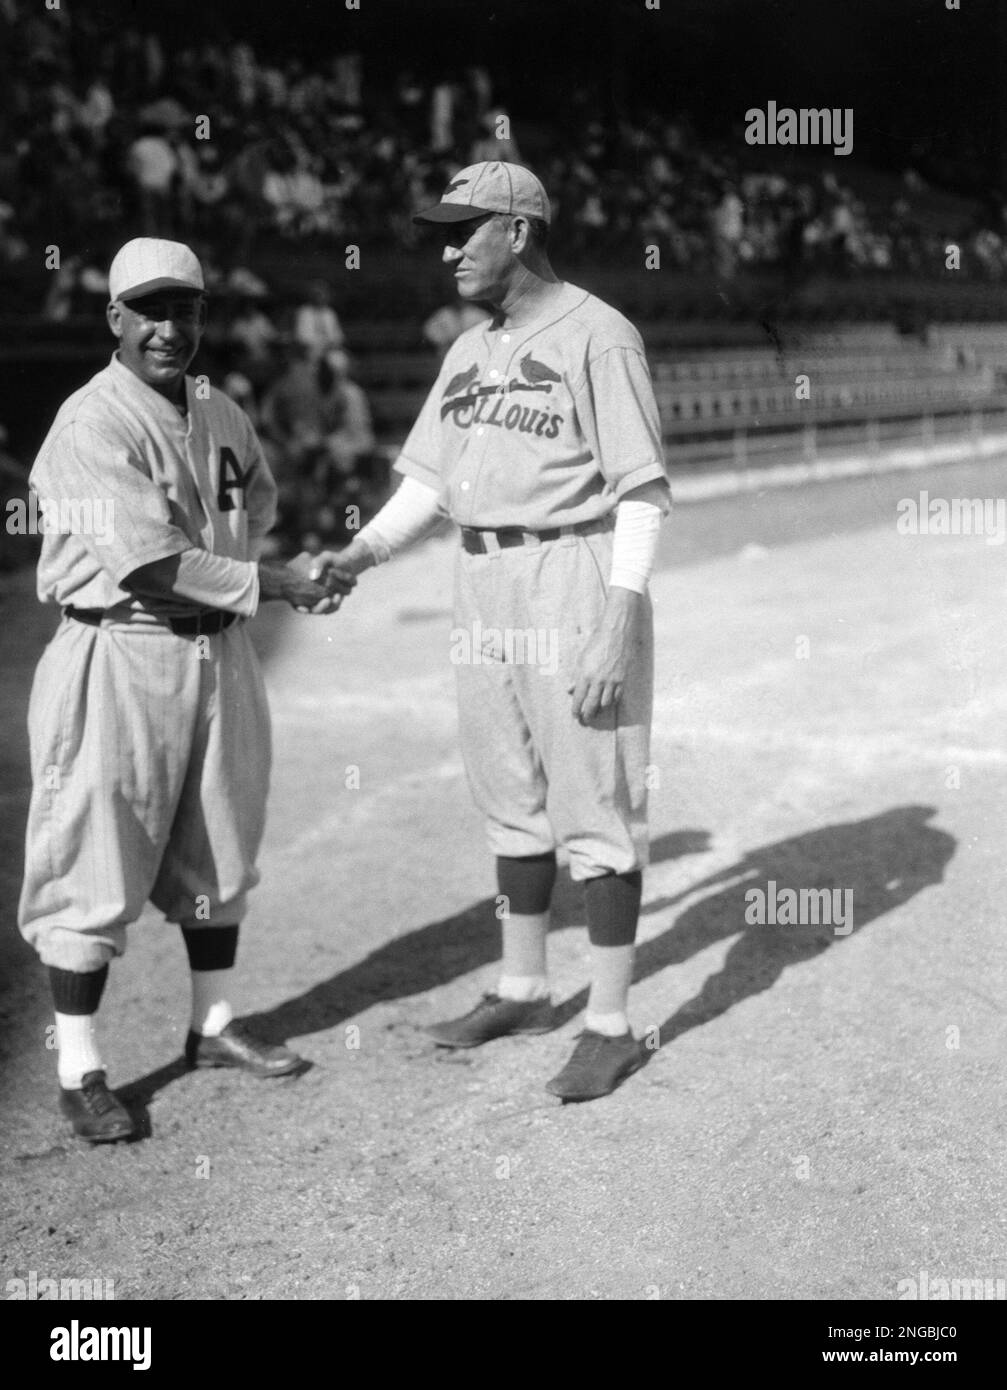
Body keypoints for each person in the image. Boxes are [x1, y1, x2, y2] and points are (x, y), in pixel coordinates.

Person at [312, 162, 671, 1102]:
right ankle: (521, 986)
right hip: (482, 576)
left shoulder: (599, 334)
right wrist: (360, 556)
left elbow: (639, 490)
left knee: (596, 806)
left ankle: (608, 1023)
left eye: (462, 230)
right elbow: (427, 488)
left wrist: (616, 620)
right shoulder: (468, 352)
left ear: (517, 230)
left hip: (574, 570)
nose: (445, 248)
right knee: (507, 791)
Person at [18, 237, 353, 1144]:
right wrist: (279, 582)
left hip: (222, 652)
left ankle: (210, 1024)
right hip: (119, 652)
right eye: (151, 310)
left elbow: (260, 511)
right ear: (115, 318)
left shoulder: (220, 410)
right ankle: (79, 1065)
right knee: (97, 852)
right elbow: (152, 566)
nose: (171, 329)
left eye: (187, 309)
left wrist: (275, 573)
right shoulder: (89, 423)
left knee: (220, 841)